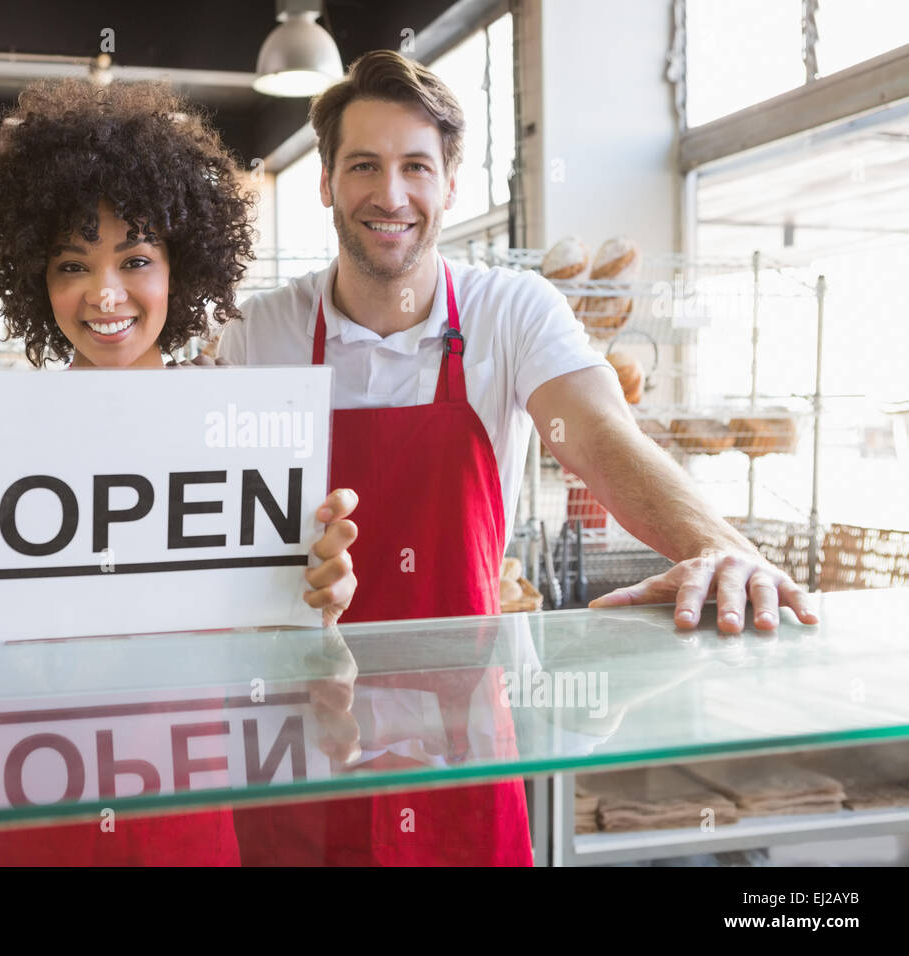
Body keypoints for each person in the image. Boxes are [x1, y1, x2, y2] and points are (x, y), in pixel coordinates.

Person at [219, 50, 818, 866]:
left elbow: (602, 437)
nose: (390, 195)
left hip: (464, 738)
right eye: (363, 165)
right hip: (304, 733)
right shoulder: (263, 335)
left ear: (450, 187)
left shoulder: (511, 311)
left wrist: (723, 551)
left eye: (415, 168)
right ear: (325, 181)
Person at [0, 78, 359, 865]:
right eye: (73, 263)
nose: (105, 294)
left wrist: (321, 608)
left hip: (185, 814)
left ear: (182, 267)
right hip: (16, 811)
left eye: (136, 259)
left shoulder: (239, 435)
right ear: (38, 277)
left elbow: (300, 688)